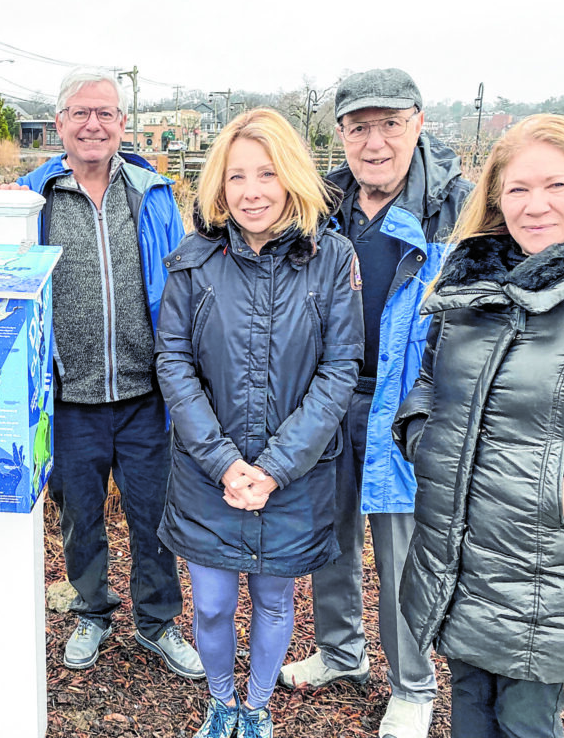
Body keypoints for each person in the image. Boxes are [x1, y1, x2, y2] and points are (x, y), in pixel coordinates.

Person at [392, 113, 564, 738]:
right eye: (518, 189)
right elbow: (425, 383)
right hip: (458, 549)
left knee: (526, 722)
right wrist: (422, 441)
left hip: (545, 561)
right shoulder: (469, 283)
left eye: (556, 186)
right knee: (469, 710)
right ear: (495, 197)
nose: (535, 206)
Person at [278, 68, 473, 738]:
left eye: (390, 123)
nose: (375, 141)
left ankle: (413, 686)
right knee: (330, 538)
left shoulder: (459, 206)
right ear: (341, 135)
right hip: (330, 397)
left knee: (400, 553)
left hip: (408, 406)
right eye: (360, 127)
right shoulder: (322, 202)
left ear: (419, 122)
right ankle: (341, 651)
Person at [156, 108, 363, 738]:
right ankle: (223, 701)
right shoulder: (194, 261)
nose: (251, 191)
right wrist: (223, 461)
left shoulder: (330, 257)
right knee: (214, 605)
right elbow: (174, 359)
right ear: (218, 183)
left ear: (291, 177)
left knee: (275, 600)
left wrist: (273, 468)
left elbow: (340, 367)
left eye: (266, 174)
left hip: (293, 476)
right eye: (237, 176)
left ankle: (258, 706)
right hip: (207, 473)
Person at [10, 67, 202, 678]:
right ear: (60, 123)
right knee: (80, 516)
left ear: (122, 123)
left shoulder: (152, 195)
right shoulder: (29, 200)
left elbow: (180, 286)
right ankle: (92, 610)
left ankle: (157, 621)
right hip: (67, 396)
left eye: (105, 113)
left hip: (145, 394)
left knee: (153, 515)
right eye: (80, 113)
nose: (93, 124)